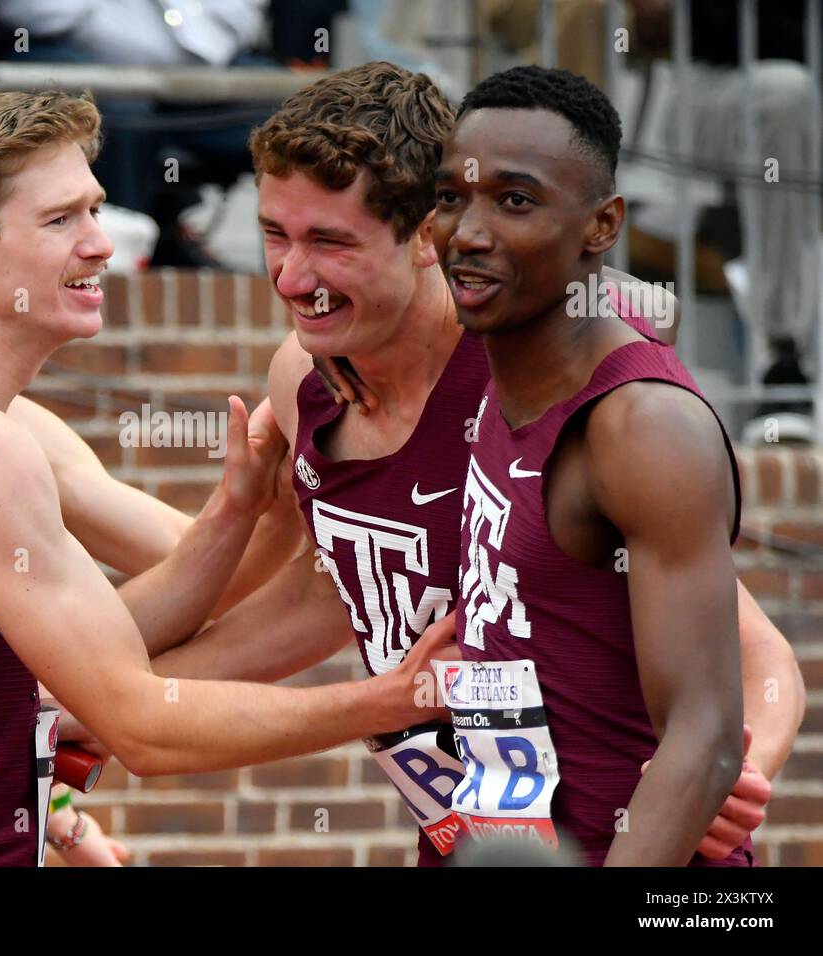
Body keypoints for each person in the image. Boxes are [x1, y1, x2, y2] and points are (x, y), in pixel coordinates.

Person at [0, 86, 438, 866]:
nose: (102, 243)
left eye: (95, 208)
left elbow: (108, 642)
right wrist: (389, 699)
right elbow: (141, 724)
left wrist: (244, 511)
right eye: (61, 220)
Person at [151, 62, 802, 865]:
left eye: (329, 242)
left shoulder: (562, 382)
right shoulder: (308, 379)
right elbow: (346, 590)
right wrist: (112, 695)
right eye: (274, 236)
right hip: (474, 839)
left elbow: (750, 661)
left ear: (420, 236)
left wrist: (742, 771)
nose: (291, 276)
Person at [433, 65, 750, 865]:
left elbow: (706, 734)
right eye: (451, 197)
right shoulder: (493, 363)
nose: (468, 231)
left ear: (601, 224)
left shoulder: (643, 426)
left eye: (516, 201)